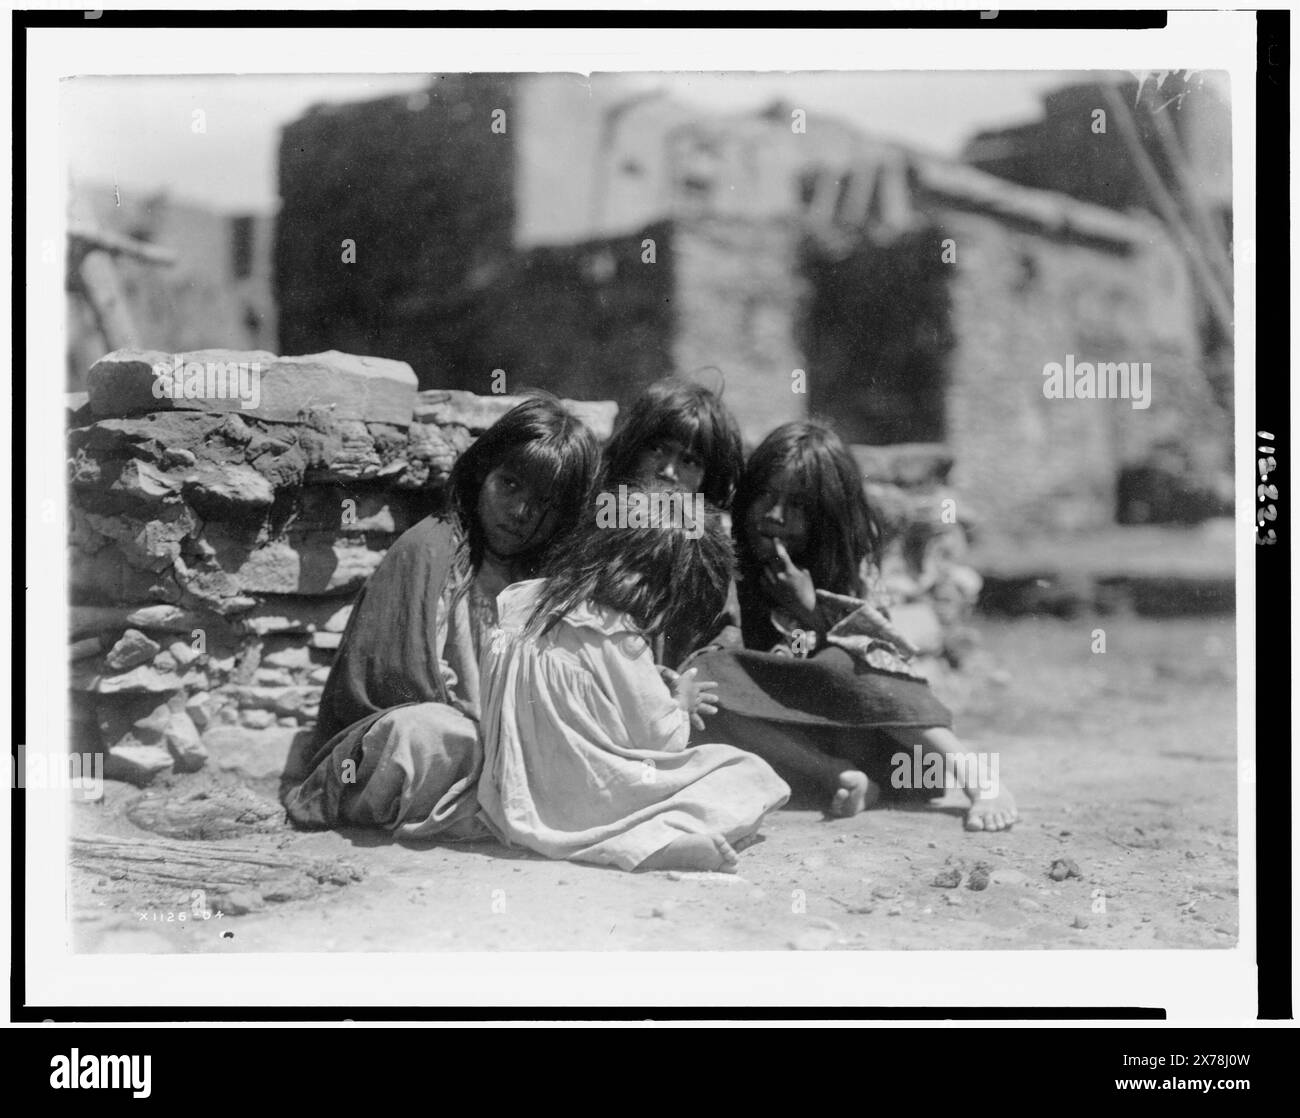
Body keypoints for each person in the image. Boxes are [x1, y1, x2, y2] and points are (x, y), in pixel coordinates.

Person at [280, 393, 600, 837]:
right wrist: (483, 724)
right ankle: (502, 807)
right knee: (423, 737)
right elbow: (388, 685)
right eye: (509, 485)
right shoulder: (430, 550)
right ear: (482, 471)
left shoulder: (550, 580)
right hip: (429, 745)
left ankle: (494, 806)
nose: (522, 512)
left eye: (545, 503)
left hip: (513, 747)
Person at [687, 421, 1018, 832]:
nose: (774, 517)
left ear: (824, 514)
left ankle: (977, 778)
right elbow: (718, 648)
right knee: (705, 680)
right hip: (784, 744)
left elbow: (888, 651)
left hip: (872, 740)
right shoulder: (724, 550)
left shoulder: (851, 558)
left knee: (851, 658)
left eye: (796, 507)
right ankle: (839, 777)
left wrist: (811, 609)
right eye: (766, 497)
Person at [476, 491, 790, 871]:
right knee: (746, 772)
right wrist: (681, 703)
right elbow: (658, 738)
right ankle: (650, 842)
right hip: (587, 801)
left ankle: (626, 840)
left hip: (512, 798)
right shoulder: (618, 633)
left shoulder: (522, 600)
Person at [600, 376, 746, 668]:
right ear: (633, 447)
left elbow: (720, 646)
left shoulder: (707, 555)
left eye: (689, 462)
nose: (668, 471)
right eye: (657, 449)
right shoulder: (598, 519)